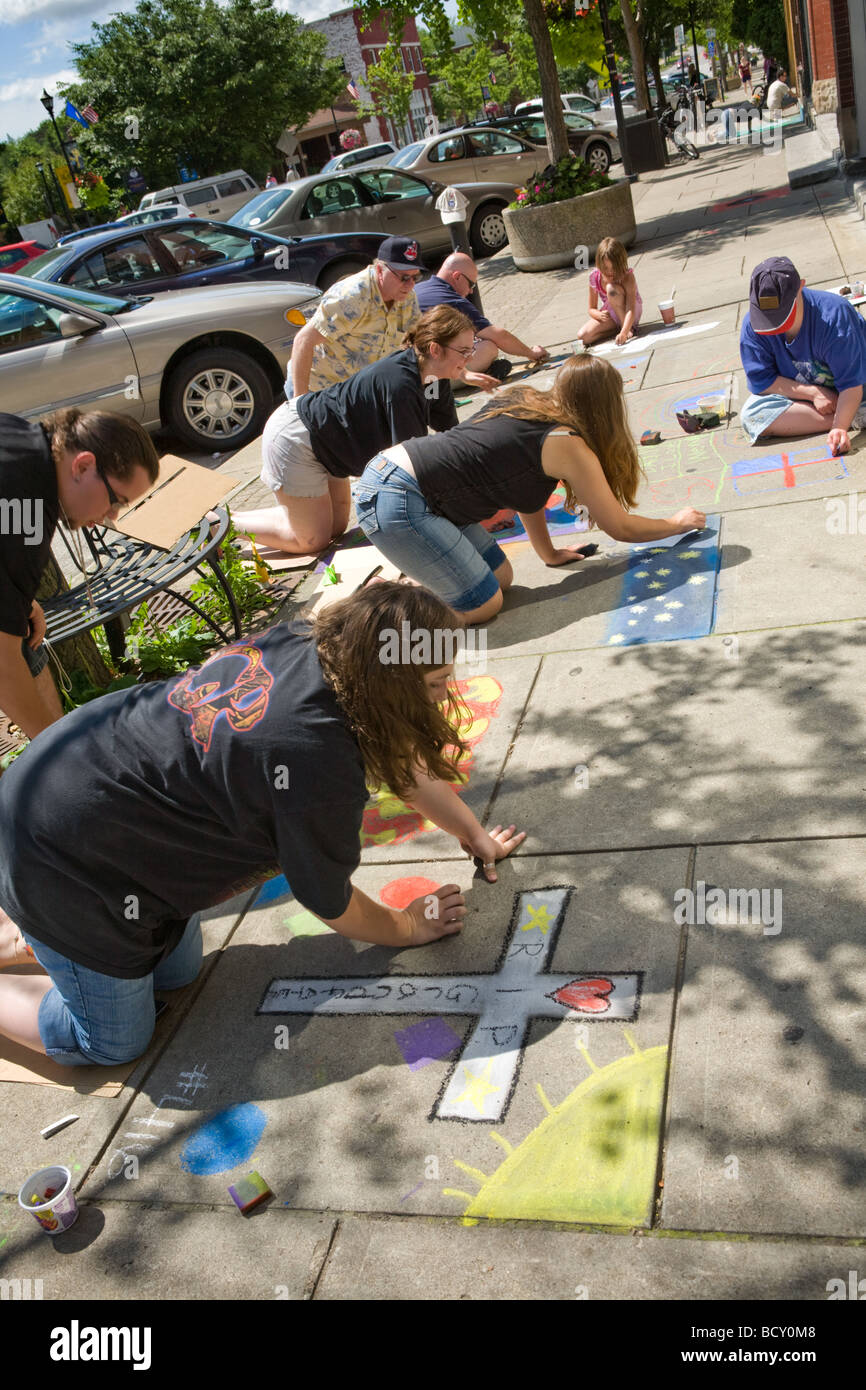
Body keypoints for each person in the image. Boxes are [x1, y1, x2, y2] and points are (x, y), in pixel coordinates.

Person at [0, 583, 526, 1063]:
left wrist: (472, 834)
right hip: (53, 849)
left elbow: (400, 759)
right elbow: (329, 900)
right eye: (436, 681)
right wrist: (406, 927)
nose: (446, 690)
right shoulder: (315, 761)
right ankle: (47, 929)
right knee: (116, 1043)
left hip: (85, 791)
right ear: (387, 683)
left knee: (176, 973)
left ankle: (42, 938)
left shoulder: (321, 643)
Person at [352, 355, 706, 625]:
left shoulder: (526, 399)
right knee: (483, 604)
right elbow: (620, 527)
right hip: (396, 497)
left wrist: (548, 553)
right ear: (606, 406)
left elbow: (525, 490)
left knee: (501, 578)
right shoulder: (567, 443)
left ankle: (416, 580)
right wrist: (676, 524)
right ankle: (378, 617)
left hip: (411, 487)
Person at [231, 305, 478, 555]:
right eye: (464, 351)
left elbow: (450, 437)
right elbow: (409, 472)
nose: (469, 358)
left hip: (328, 443)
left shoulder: (435, 379)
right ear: (435, 349)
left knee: (336, 529)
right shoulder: (401, 387)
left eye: (472, 348)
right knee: (311, 541)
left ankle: (291, 513)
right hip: (296, 438)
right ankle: (223, 524)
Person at [0, 408, 159, 742]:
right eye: (115, 501)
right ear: (84, 465)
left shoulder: (24, 441)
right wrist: (60, 754)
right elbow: (2, 661)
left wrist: (18, 600)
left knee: (22, 629)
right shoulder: (27, 505)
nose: (109, 516)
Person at [739, 256, 866, 455]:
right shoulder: (752, 325)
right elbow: (762, 381)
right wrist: (812, 392)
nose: (774, 326)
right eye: (767, 318)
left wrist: (840, 427)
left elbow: (852, 384)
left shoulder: (833, 316)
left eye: (781, 315)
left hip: (857, 389)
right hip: (808, 399)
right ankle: (855, 416)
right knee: (752, 415)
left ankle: (849, 415)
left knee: (853, 399)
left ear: (801, 287)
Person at [415, 252, 549, 381]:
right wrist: (531, 353)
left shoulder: (419, 288)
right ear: (457, 277)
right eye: (471, 284)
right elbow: (498, 336)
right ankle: (459, 380)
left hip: (410, 365)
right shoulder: (453, 300)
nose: (471, 291)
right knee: (488, 347)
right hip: (429, 372)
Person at [574, 237, 643, 348]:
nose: (610, 272)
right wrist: (598, 314)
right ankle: (618, 329)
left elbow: (631, 308)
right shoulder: (595, 277)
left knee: (611, 289)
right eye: (606, 268)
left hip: (628, 312)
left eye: (614, 268)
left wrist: (625, 332)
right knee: (583, 337)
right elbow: (591, 308)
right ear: (599, 265)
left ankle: (627, 328)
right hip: (611, 314)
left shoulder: (627, 277)